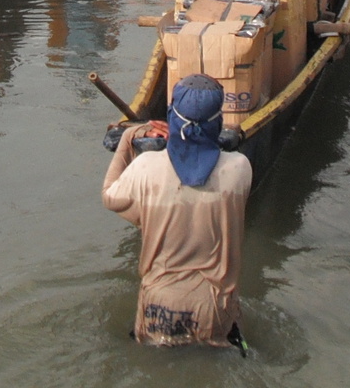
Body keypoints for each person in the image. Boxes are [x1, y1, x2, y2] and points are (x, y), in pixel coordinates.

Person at [103, 74, 252, 348]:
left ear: (171, 117)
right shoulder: (239, 169)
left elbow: (111, 197)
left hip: (158, 306)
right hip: (215, 308)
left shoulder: (146, 167)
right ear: (217, 122)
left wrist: (128, 137)